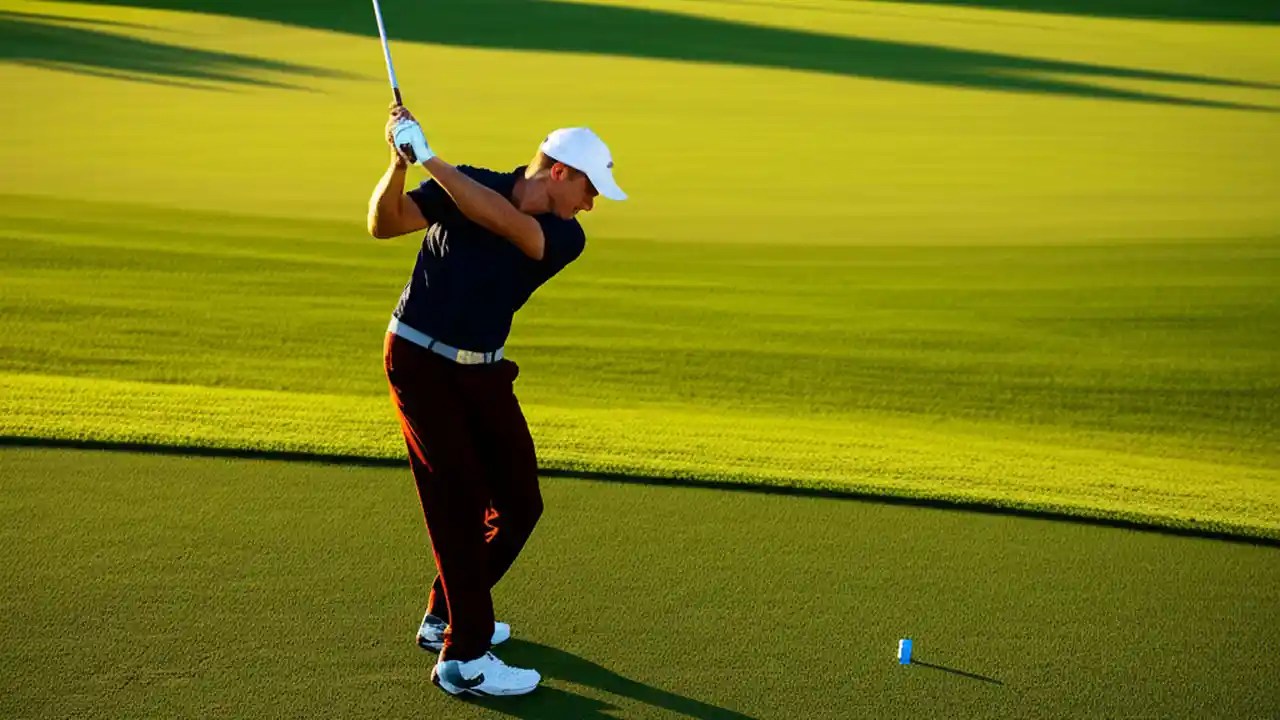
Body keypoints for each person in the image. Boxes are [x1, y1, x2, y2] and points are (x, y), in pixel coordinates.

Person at [367, 104, 626, 697]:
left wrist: (432, 157)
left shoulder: (565, 235)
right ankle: (465, 659)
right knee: (457, 496)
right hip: (419, 361)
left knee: (519, 501)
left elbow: (512, 227)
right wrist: (400, 163)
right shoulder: (470, 181)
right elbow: (385, 223)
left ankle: (443, 616)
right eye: (589, 188)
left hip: (481, 372)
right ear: (559, 172)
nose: (592, 203)